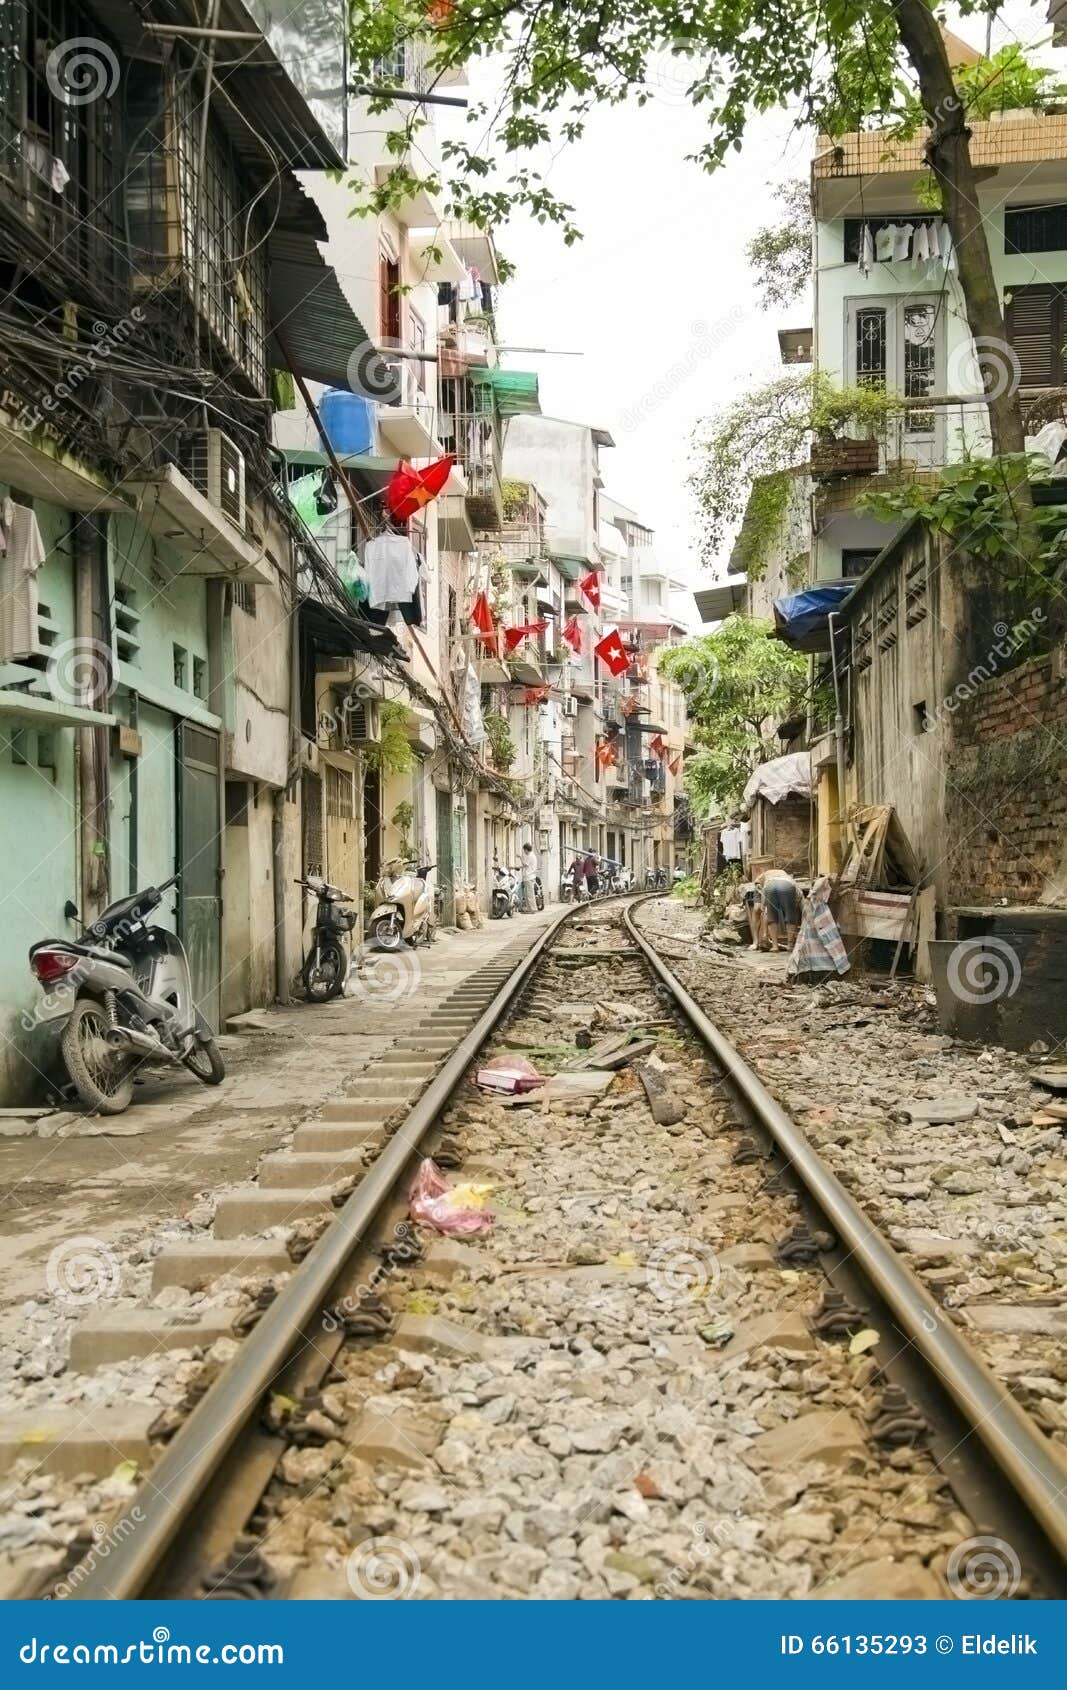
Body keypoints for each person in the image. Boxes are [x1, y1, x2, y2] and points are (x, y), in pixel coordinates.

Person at [759, 866, 801, 953]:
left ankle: (775, 946)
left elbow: (765, 911)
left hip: (770, 886)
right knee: (790, 916)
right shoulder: (788, 877)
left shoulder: (765, 877)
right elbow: (799, 899)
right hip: (787, 886)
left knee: (772, 916)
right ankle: (790, 945)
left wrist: (763, 904)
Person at [518, 841, 538, 912]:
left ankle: (532, 909)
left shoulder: (530, 856)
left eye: (524, 850)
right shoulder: (533, 856)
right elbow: (526, 866)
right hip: (530, 877)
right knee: (528, 894)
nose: (524, 852)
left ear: (526, 849)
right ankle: (530, 909)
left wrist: (520, 858)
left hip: (529, 877)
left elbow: (525, 864)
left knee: (529, 894)